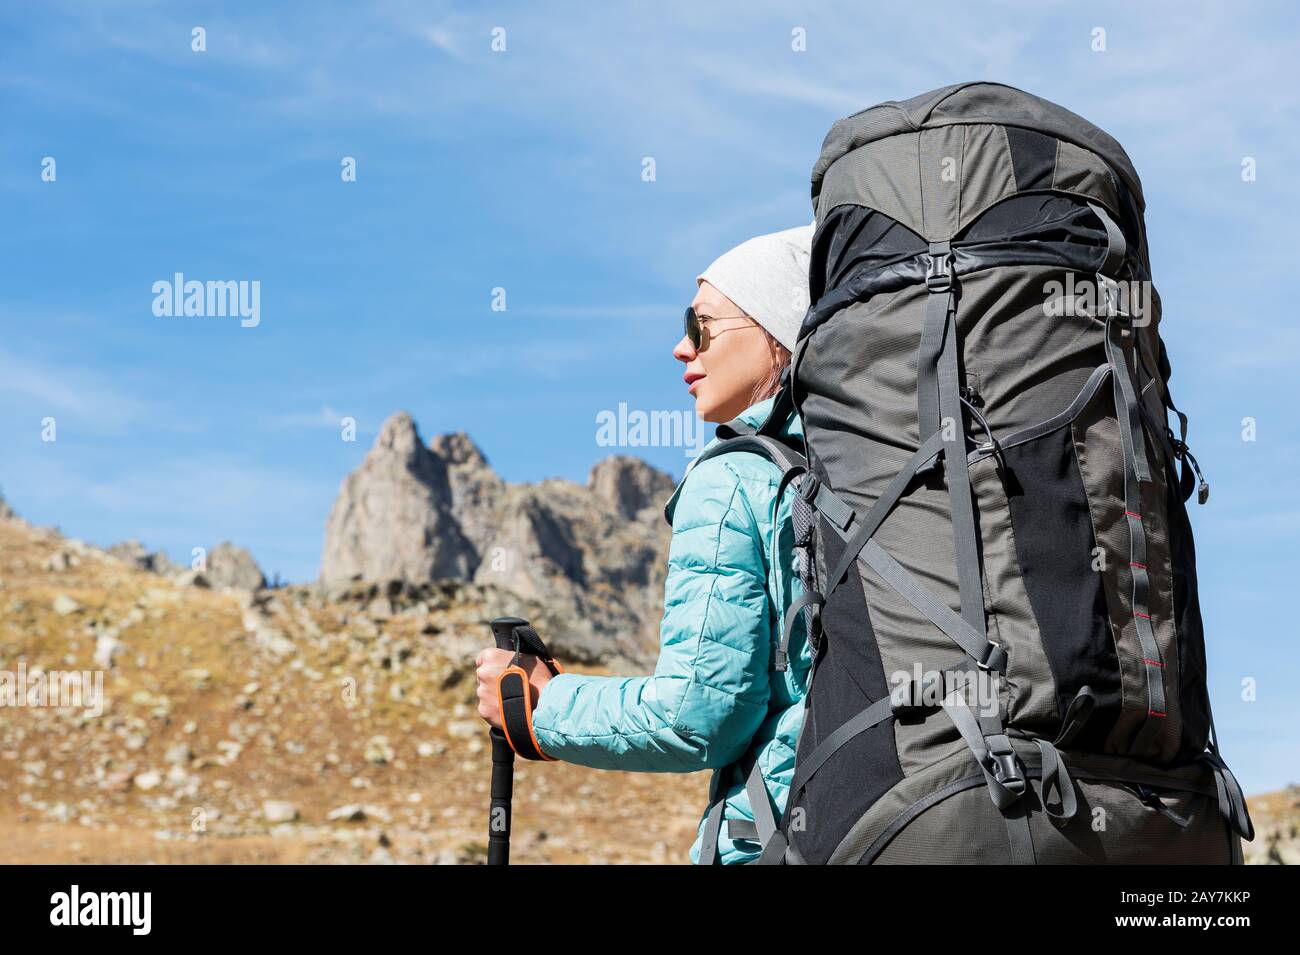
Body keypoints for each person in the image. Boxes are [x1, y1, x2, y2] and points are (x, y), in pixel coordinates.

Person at [475, 224, 814, 864]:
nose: (681, 348)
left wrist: (540, 704)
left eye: (703, 325)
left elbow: (698, 716)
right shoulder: (877, 476)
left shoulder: (734, 477)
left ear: (779, 331)